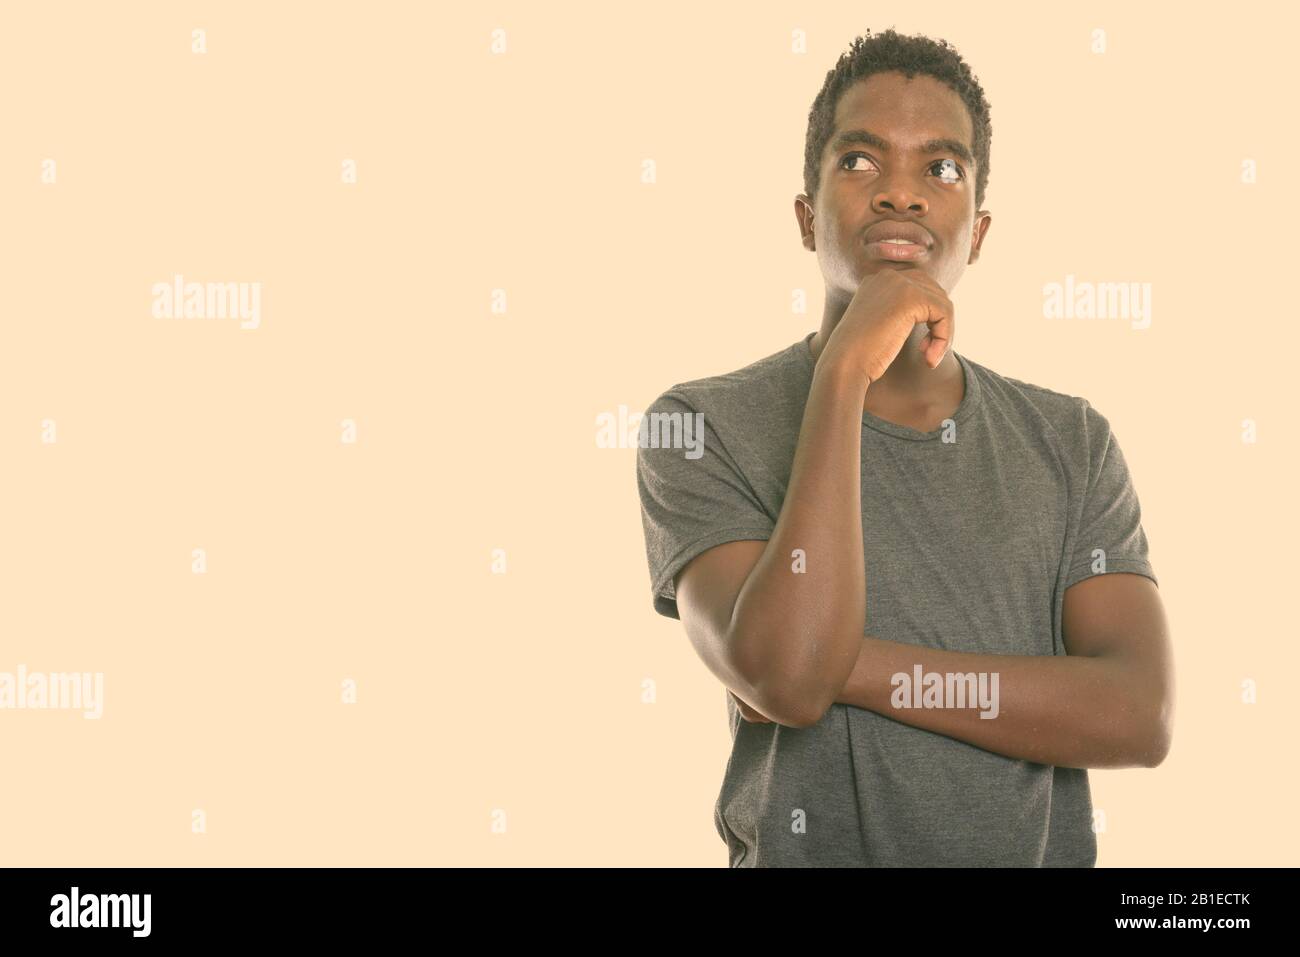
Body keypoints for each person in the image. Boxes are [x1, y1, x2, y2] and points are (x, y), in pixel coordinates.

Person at [634, 28, 1174, 867]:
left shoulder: (1072, 441)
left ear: (979, 231)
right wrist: (847, 366)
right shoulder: (699, 427)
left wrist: (845, 666)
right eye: (859, 162)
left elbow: (1139, 714)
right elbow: (785, 674)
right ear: (806, 218)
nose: (902, 196)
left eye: (941, 168)